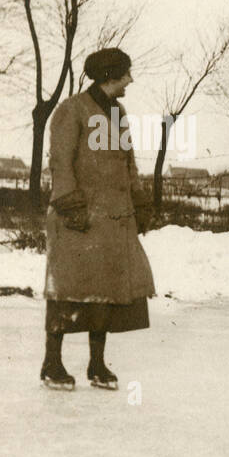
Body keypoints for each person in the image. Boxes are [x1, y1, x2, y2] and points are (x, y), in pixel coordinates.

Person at [41, 46, 155, 390]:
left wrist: (139, 201)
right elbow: (60, 162)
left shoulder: (118, 113)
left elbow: (127, 163)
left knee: (104, 293)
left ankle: (96, 364)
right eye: (126, 74)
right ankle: (52, 363)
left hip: (113, 221)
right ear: (109, 76)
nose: (130, 80)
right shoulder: (71, 111)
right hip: (78, 219)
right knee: (67, 291)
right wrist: (71, 206)